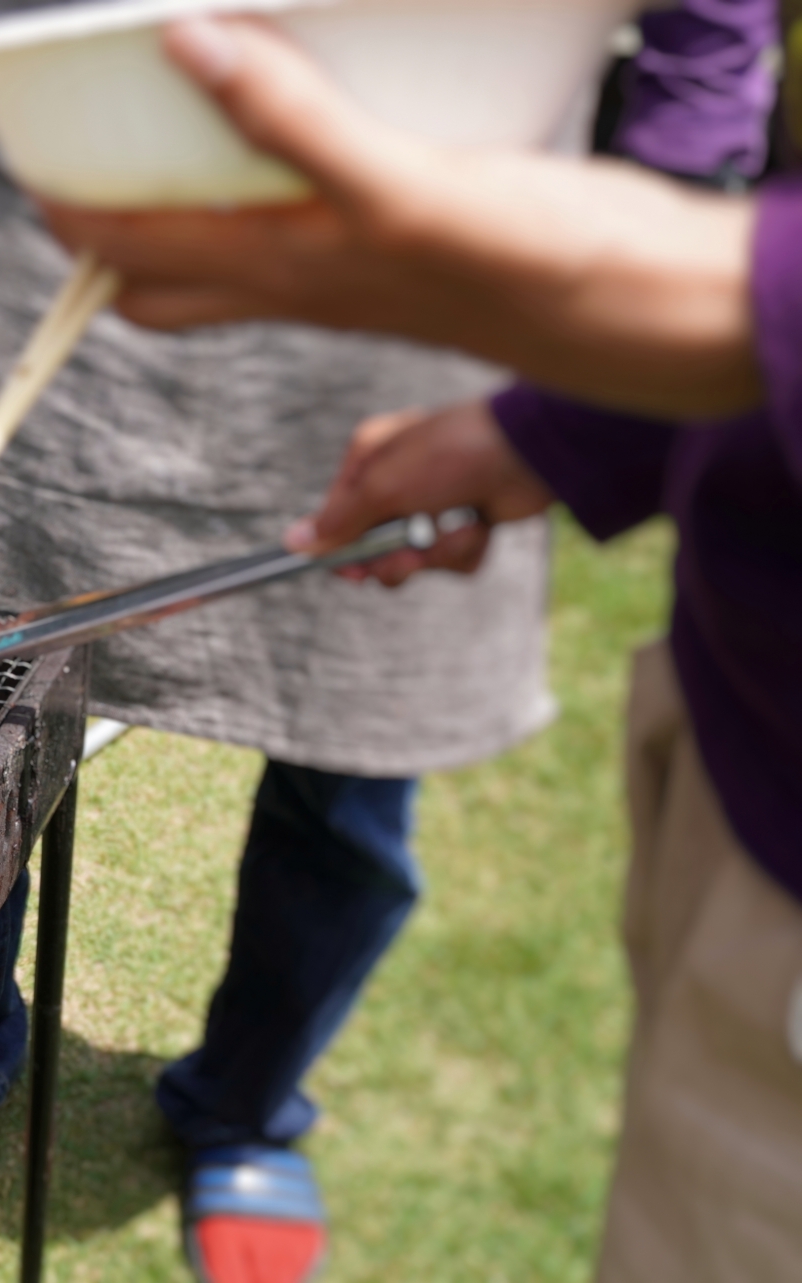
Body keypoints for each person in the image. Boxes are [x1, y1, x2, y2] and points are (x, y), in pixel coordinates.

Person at [0, 6, 761, 1282]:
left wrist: (661, 233)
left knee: (352, 747)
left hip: (425, 204)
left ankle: (249, 1099)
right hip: (58, 182)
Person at [41, 13, 800, 1282]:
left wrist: (659, 283)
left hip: (500, 224)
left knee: (355, 763)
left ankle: (245, 1104)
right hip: (754, 748)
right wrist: (570, 423)